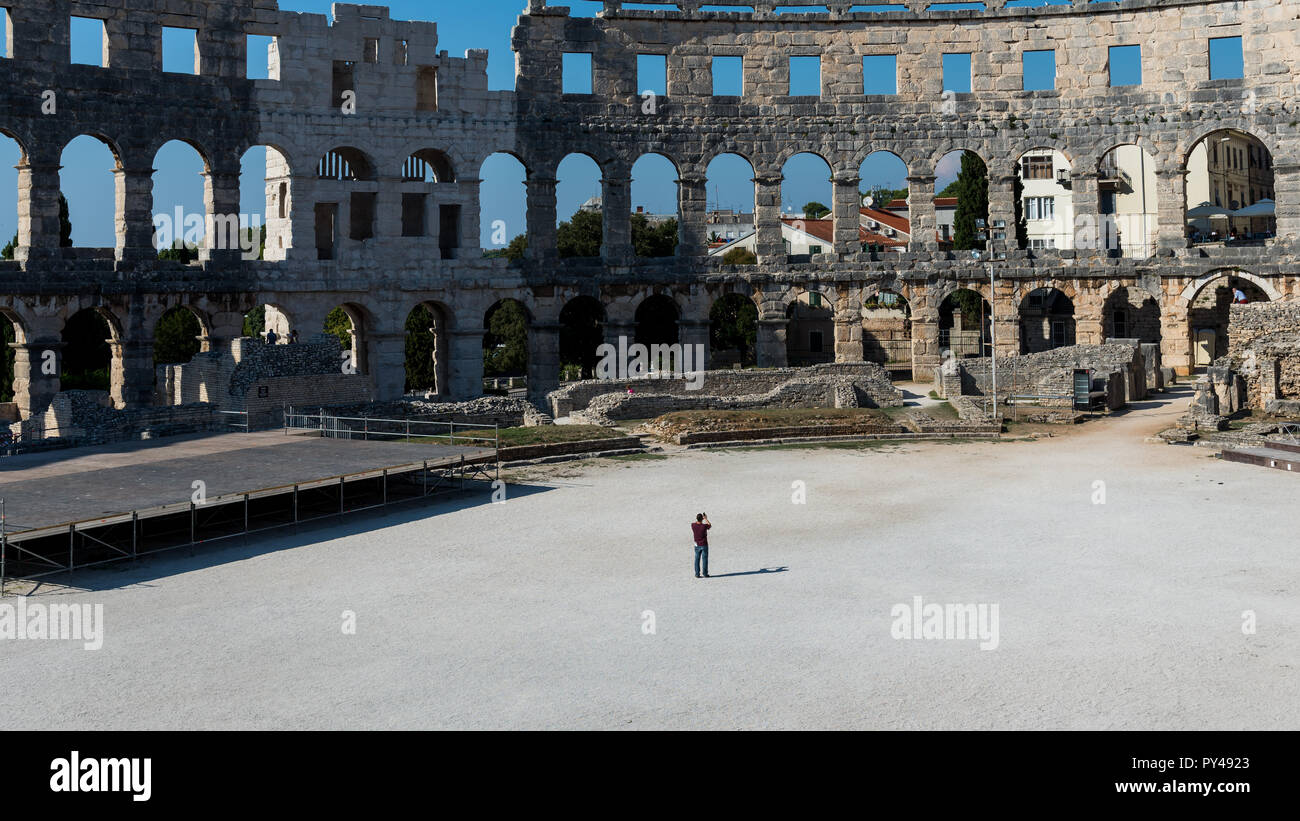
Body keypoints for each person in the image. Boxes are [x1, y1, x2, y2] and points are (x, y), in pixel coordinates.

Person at [691, 513, 711, 578]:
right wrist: (705, 518)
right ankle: (705, 573)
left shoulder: (693, 525)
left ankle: (697, 574)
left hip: (697, 545)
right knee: (704, 559)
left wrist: (700, 518)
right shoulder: (704, 526)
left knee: (697, 559)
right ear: (702, 519)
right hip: (704, 544)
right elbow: (709, 525)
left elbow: (695, 523)